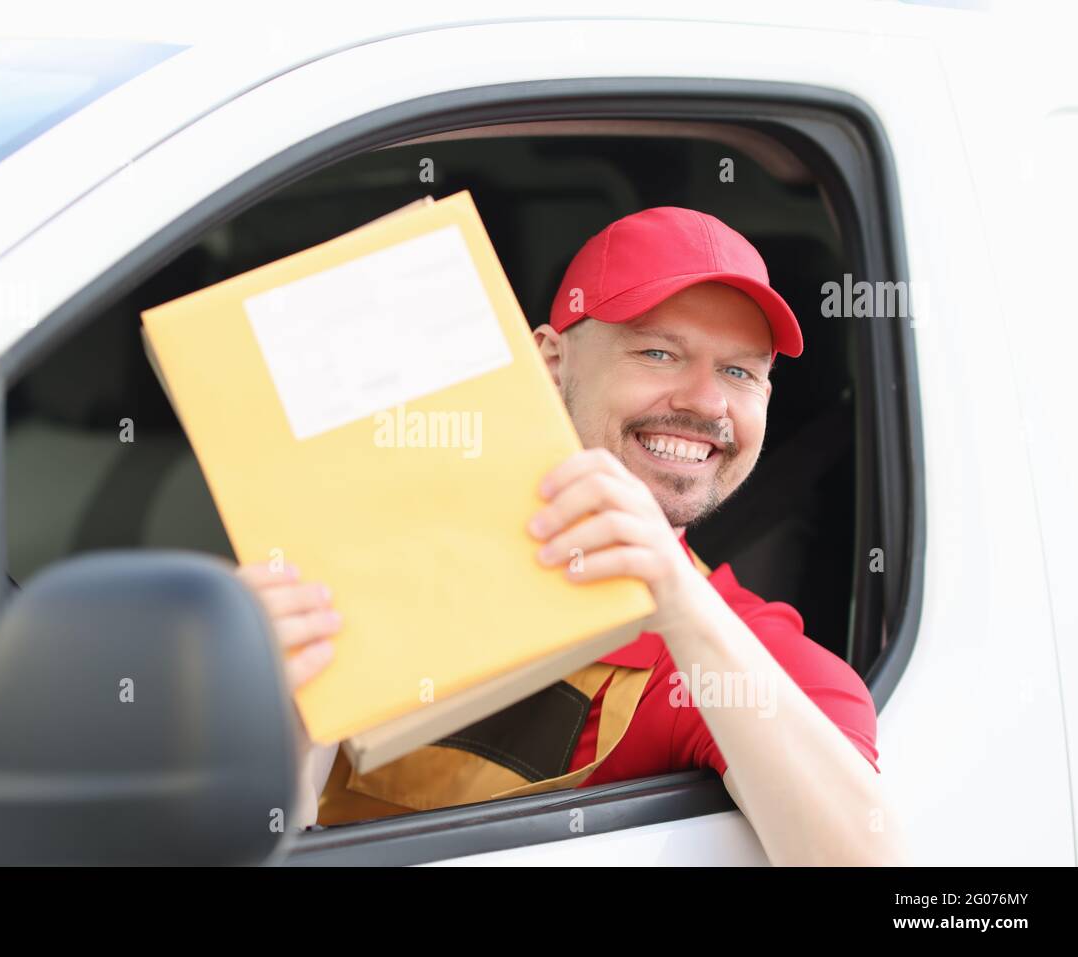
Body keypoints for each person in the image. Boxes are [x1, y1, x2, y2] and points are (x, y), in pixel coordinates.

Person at [236, 206, 906, 866]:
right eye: (659, 351)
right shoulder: (367, 571)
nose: (706, 401)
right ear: (550, 361)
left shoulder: (735, 659)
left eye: (740, 371)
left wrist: (675, 597)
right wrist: (281, 717)